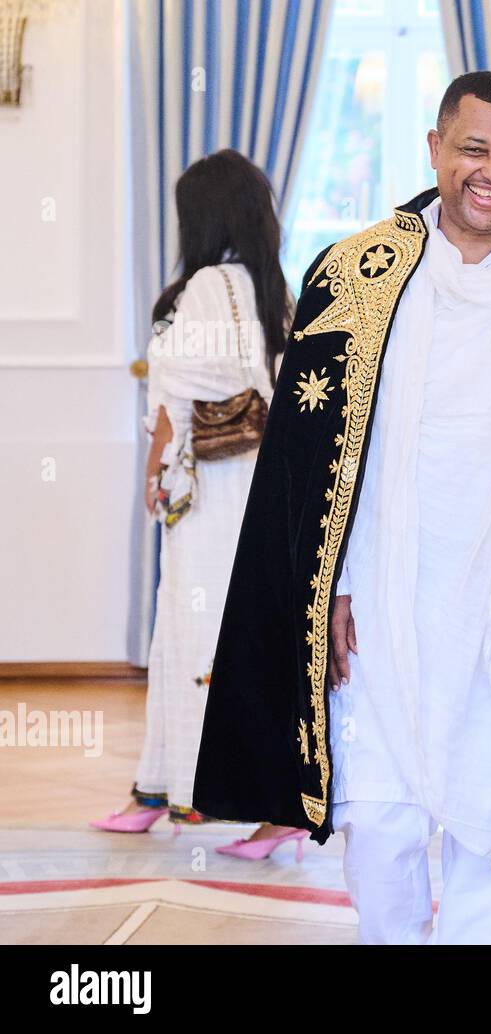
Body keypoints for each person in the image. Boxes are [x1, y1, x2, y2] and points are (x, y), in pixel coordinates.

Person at [191, 72, 491, 944]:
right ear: (434, 150)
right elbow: (301, 474)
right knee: (380, 823)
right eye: (474, 149)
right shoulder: (351, 281)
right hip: (378, 600)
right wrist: (322, 587)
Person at [93, 150, 306, 859]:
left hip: (215, 495)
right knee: (224, 642)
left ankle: (238, 799)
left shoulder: (210, 286)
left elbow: (177, 386)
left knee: (203, 639)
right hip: (262, 489)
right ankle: (162, 788)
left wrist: (153, 472)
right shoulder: (275, 291)